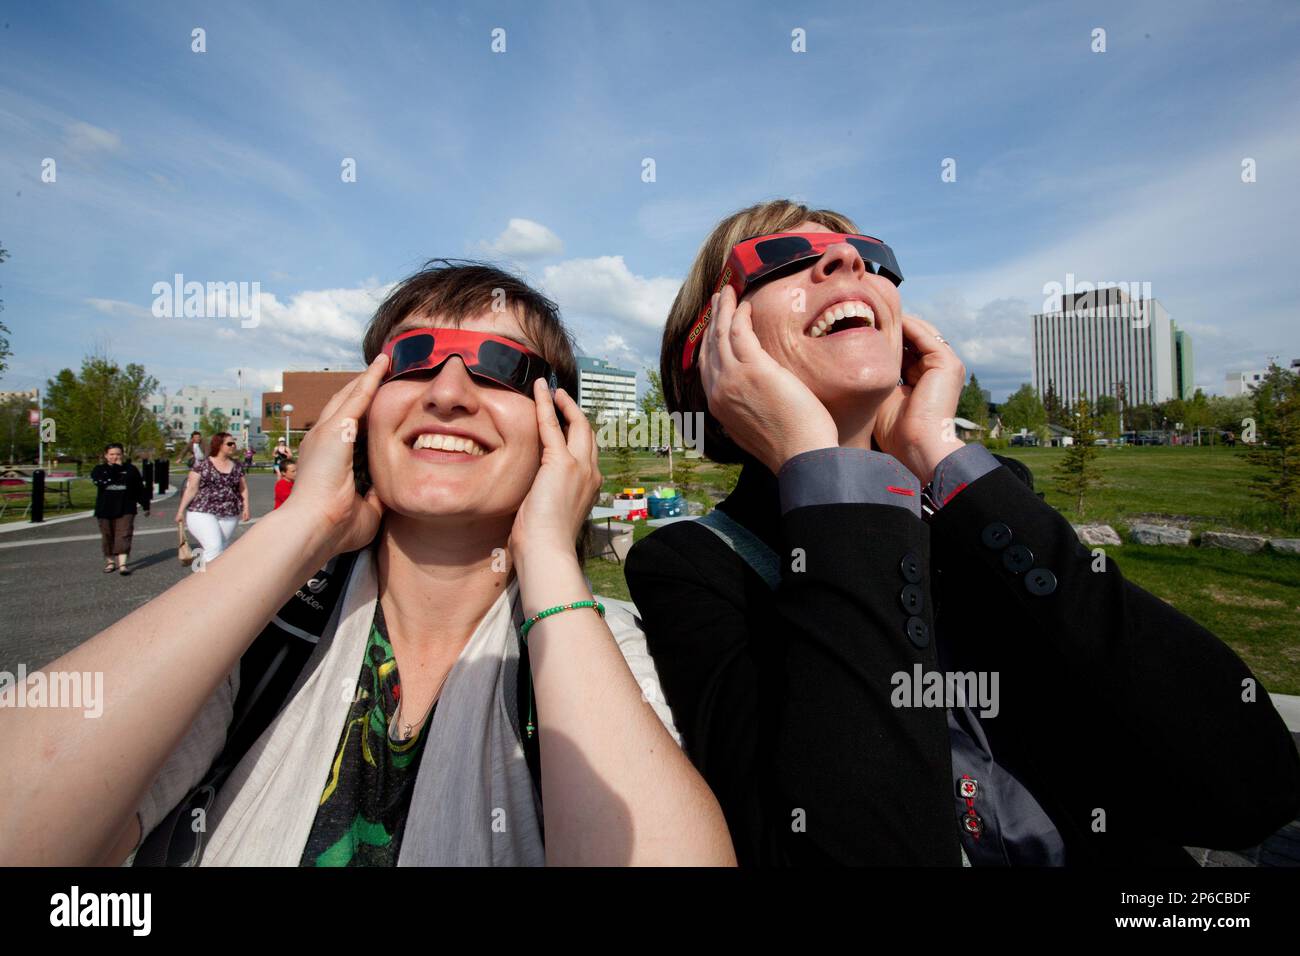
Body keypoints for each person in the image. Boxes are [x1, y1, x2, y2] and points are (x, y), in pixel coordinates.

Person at [624, 199, 1300, 867]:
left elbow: (1248, 787)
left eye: (874, 257)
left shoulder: (983, 507)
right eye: (778, 259)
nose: (849, 259)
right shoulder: (695, 565)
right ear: (707, 348)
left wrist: (941, 455)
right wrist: (819, 466)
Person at [0, 261, 734, 867]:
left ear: (560, 430)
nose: (448, 393)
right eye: (412, 362)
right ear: (361, 408)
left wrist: (546, 551)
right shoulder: (265, 639)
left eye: (502, 368)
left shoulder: (606, 648)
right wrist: (304, 526)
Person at [174, 432, 249, 567]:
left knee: (220, 548)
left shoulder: (237, 466)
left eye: (234, 443)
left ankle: (200, 576)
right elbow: (191, 488)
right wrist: (180, 511)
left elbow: (243, 488)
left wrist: (246, 507)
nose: (233, 446)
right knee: (214, 547)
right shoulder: (203, 465)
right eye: (229, 443)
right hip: (202, 510)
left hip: (229, 512)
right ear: (219, 445)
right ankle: (206, 581)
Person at [90, 443, 150, 576]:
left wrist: (145, 505)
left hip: (126, 507)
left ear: (122, 455)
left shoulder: (131, 469)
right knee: (107, 535)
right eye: (111, 454)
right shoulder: (99, 469)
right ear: (106, 456)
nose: (115, 457)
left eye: (118, 454)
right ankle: (110, 561)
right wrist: (116, 468)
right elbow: (101, 482)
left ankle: (122, 564)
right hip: (105, 508)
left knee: (124, 534)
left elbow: (139, 488)